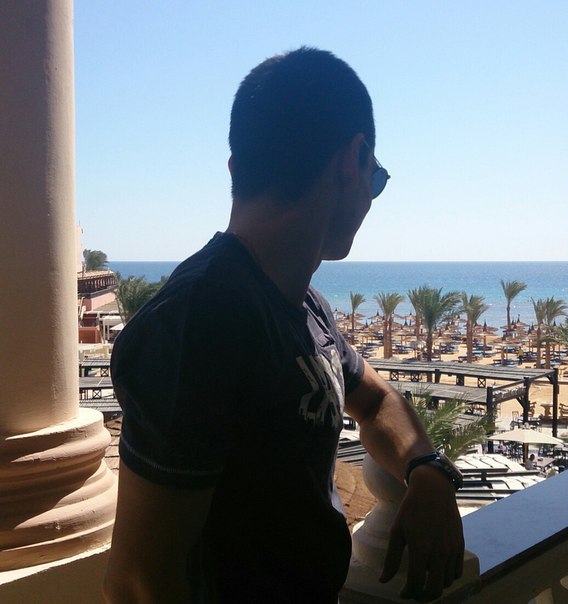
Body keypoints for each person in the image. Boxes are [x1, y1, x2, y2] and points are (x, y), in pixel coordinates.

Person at [103, 47, 464, 604]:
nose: (371, 200)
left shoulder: (302, 304)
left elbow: (373, 400)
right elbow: (139, 583)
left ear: (237, 170)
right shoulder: (199, 320)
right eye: (376, 179)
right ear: (353, 161)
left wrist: (427, 466)